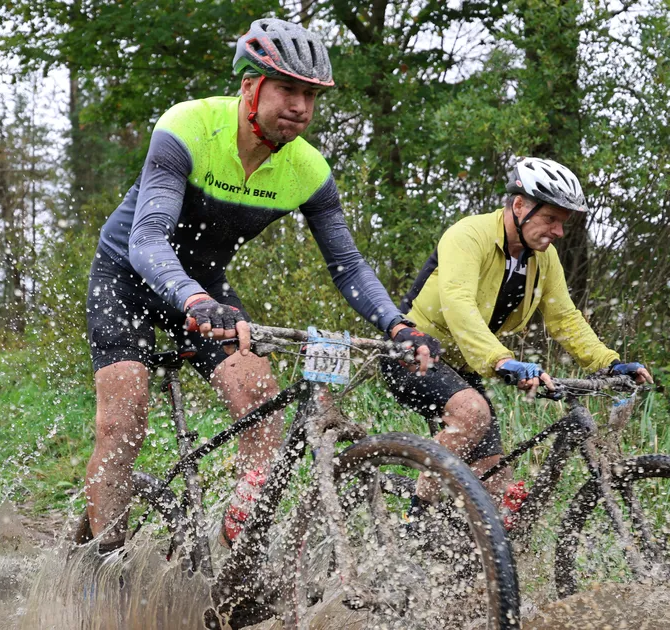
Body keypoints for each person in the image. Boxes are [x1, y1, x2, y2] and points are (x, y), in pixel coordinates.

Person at [82, 18, 439, 553]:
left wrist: (398, 323)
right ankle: (101, 561)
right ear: (250, 85)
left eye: (311, 95)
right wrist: (195, 299)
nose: (301, 106)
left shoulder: (309, 170)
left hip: (203, 289)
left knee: (260, 399)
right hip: (127, 278)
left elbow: (347, 265)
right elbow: (147, 238)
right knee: (124, 424)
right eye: (288, 89)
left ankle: (234, 551)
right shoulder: (189, 126)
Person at [382, 157, 654, 529]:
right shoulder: (469, 235)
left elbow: (564, 318)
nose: (559, 231)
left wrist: (606, 362)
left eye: (564, 222)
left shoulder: (544, 259)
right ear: (520, 206)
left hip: (464, 368)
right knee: (472, 413)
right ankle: (416, 518)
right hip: (415, 353)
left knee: (494, 489)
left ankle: (468, 568)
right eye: (551, 219)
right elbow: (458, 303)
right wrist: (501, 360)